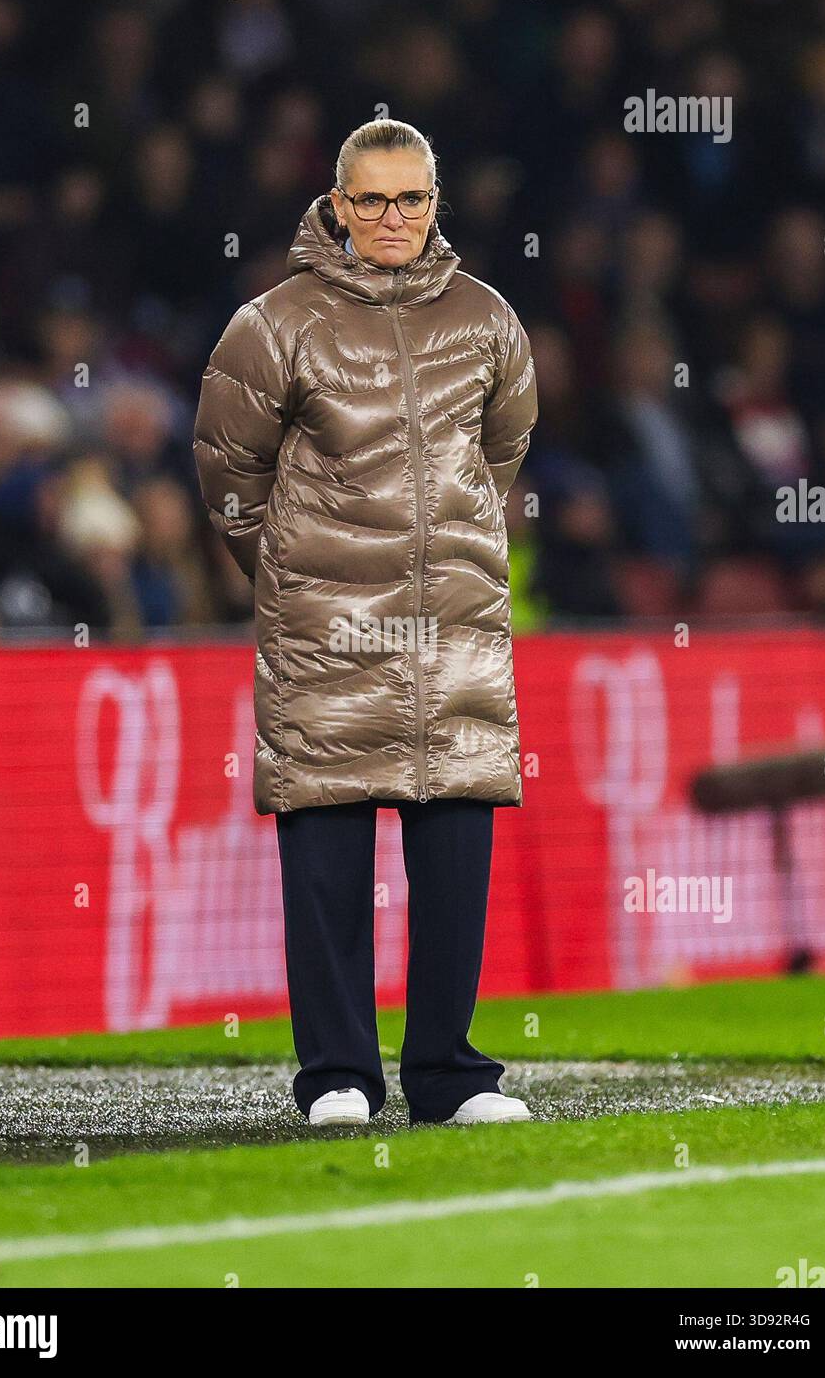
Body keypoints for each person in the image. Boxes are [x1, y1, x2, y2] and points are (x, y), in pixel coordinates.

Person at [193, 119, 538, 1128]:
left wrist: (442, 559)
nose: (394, 218)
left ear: (438, 202)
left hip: (454, 631)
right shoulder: (273, 324)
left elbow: (502, 451)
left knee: (454, 856)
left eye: (412, 199)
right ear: (338, 207)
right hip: (328, 631)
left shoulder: (487, 318)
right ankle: (336, 1073)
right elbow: (228, 478)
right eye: (374, 200)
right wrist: (300, 579)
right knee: (327, 859)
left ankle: (450, 1075)